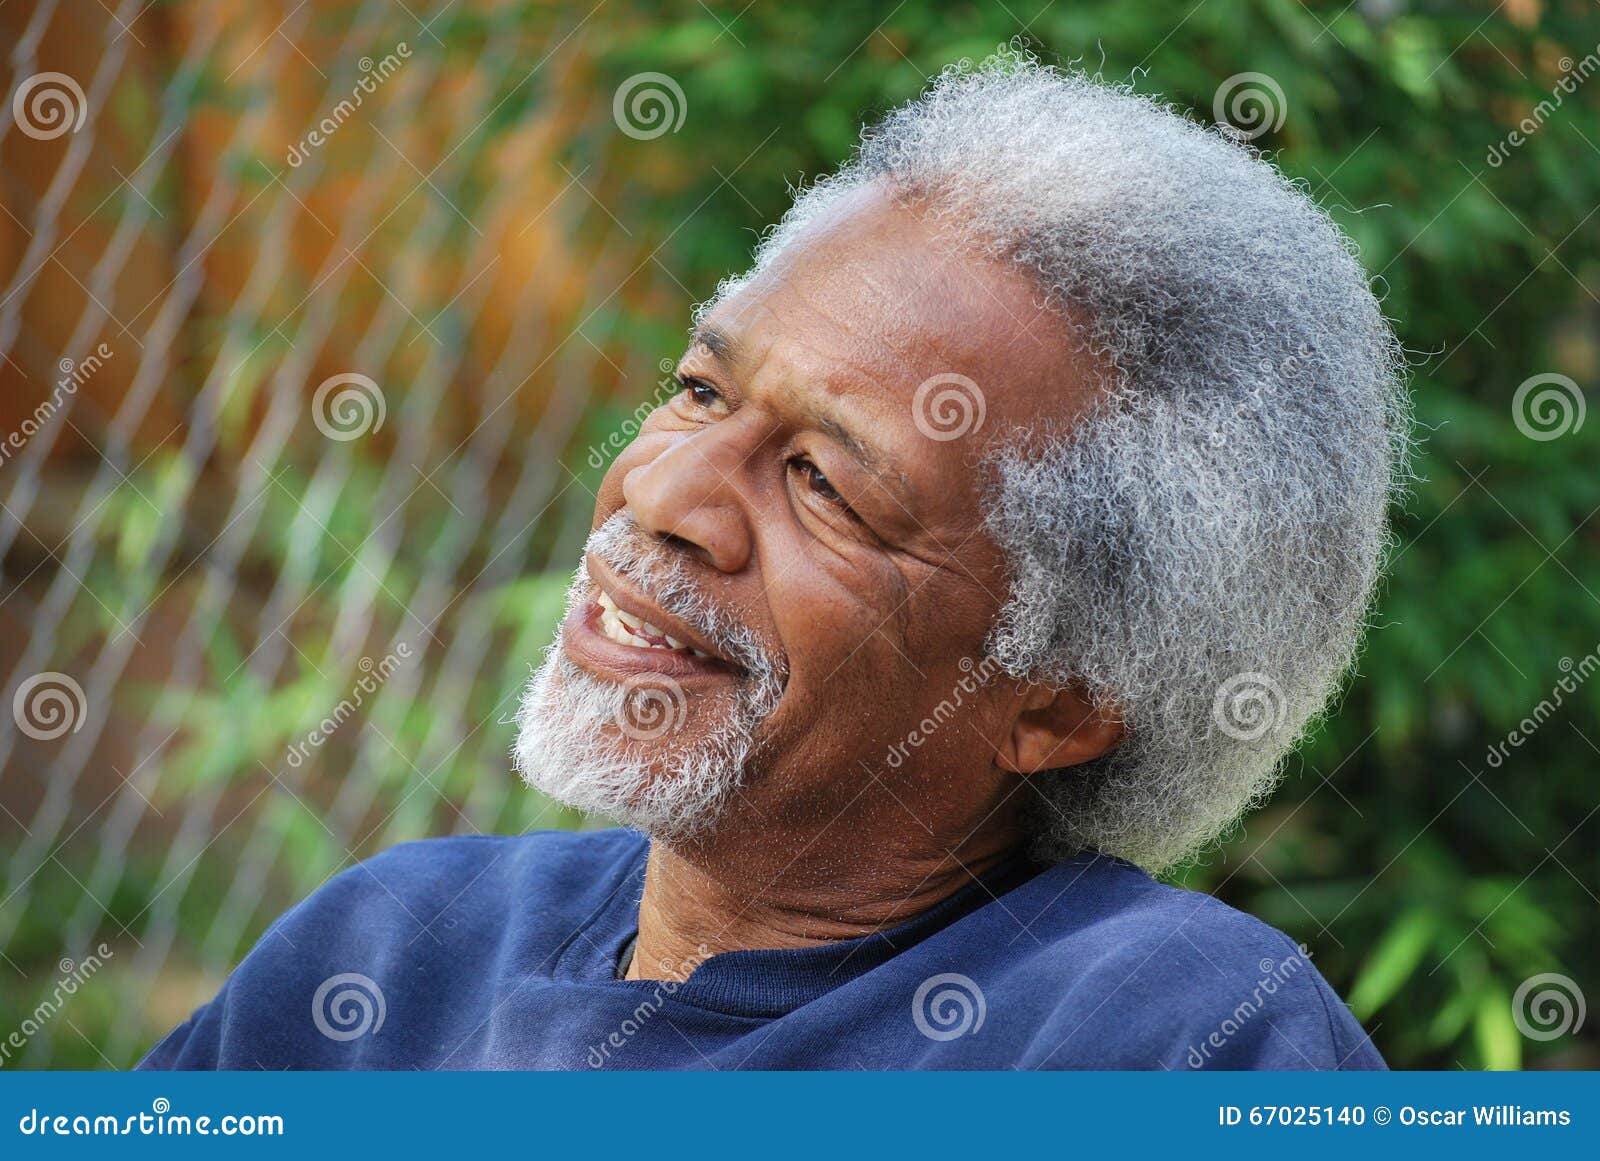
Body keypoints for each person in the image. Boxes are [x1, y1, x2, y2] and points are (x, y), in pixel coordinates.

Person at [141, 52, 1407, 1071]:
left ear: (1059, 702)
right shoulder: (391, 953)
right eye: (698, 389)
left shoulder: (1159, 1035)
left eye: (825, 483)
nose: (663, 493)